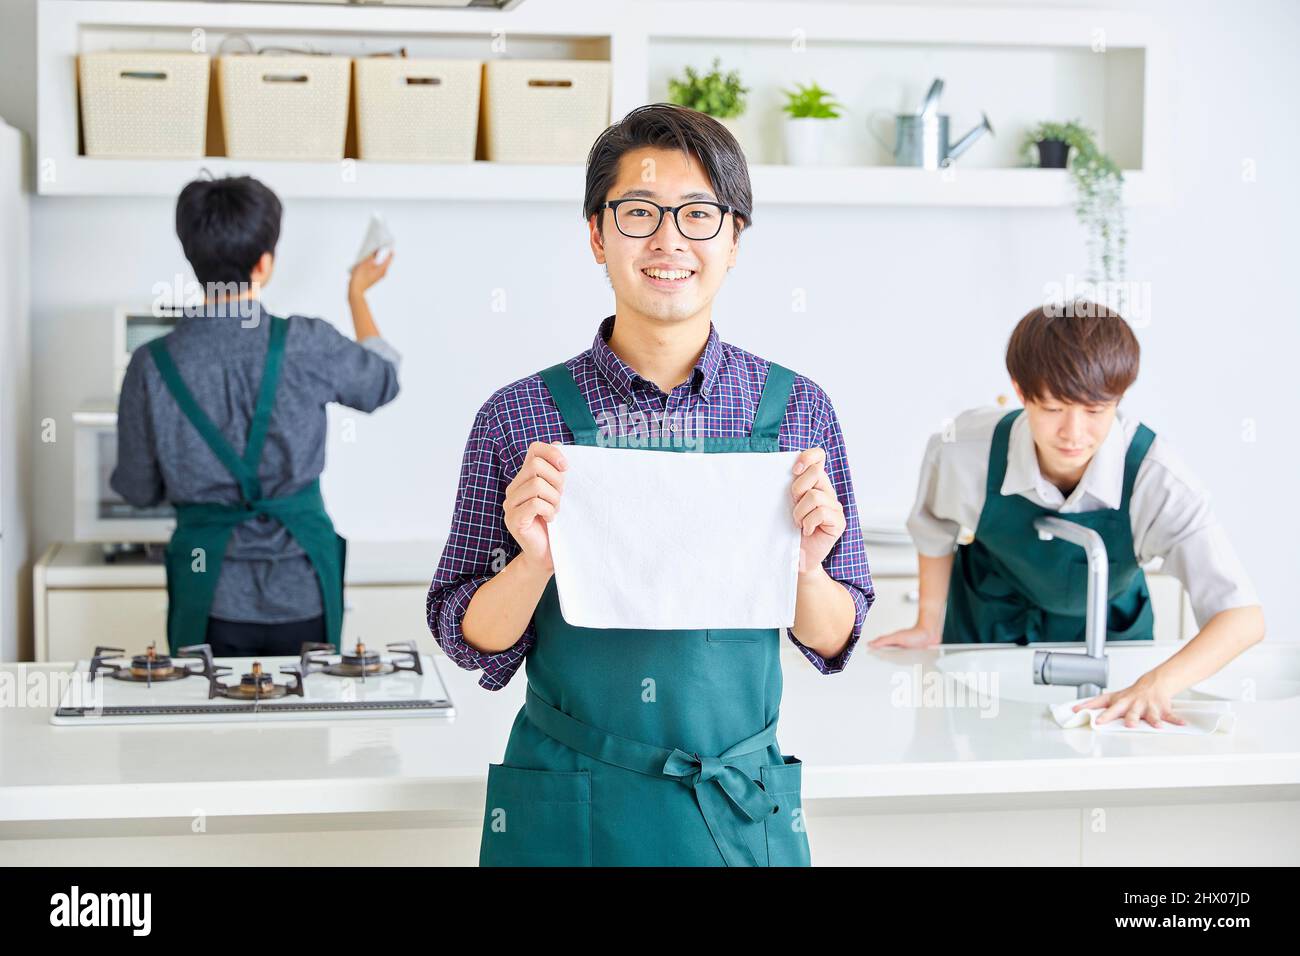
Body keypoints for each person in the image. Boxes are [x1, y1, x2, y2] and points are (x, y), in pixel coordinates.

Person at [426, 104, 874, 866]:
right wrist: (533, 561)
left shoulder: (798, 411)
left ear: (735, 240)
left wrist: (802, 566)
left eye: (699, 215)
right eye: (639, 213)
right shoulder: (519, 416)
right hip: (573, 803)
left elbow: (835, 636)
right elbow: (467, 638)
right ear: (598, 236)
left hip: (735, 804)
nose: (669, 240)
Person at [872, 302, 1265, 729]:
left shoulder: (1158, 479)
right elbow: (934, 528)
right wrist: (929, 622)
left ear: (1119, 398)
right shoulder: (965, 450)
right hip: (987, 623)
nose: (1074, 434)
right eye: (1055, 409)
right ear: (1021, 393)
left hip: (1110, 634)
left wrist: (1157, 684)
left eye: (1096, 411)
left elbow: (1241, 616)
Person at [111, 175, 401, 657]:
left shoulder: (151, 364)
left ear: (192, 259)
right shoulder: (306, 343)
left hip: (208, 589)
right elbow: (383, 382)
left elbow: (138, 489)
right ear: (264, 264)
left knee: (204, 725)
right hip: (303, 582)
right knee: (304, 726)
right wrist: (358, 296)